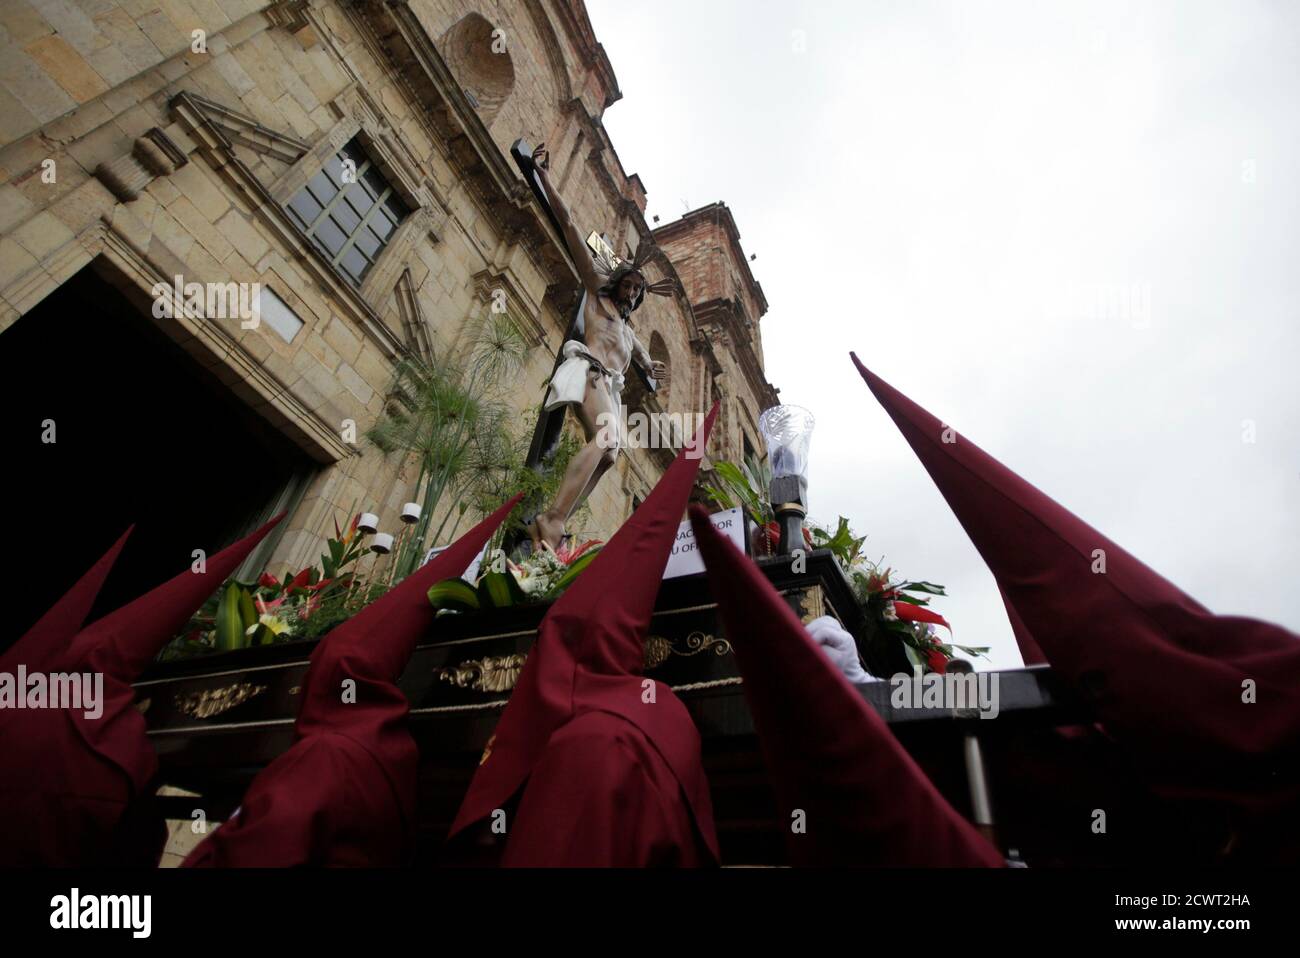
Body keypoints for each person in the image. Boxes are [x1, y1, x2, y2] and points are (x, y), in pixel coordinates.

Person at [526, 143, 670, 552]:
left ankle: (558, 519)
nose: (633, 291)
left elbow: (644, 361)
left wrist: (653, 368)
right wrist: (546, 179)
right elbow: (570, 226)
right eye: (630, 282)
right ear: (619, 280)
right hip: (589, 371)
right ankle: (551, 519)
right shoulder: (596, 294)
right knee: (607, 439)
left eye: (639, 289)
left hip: (611, 386)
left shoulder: (628, 332)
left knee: (609, 455)